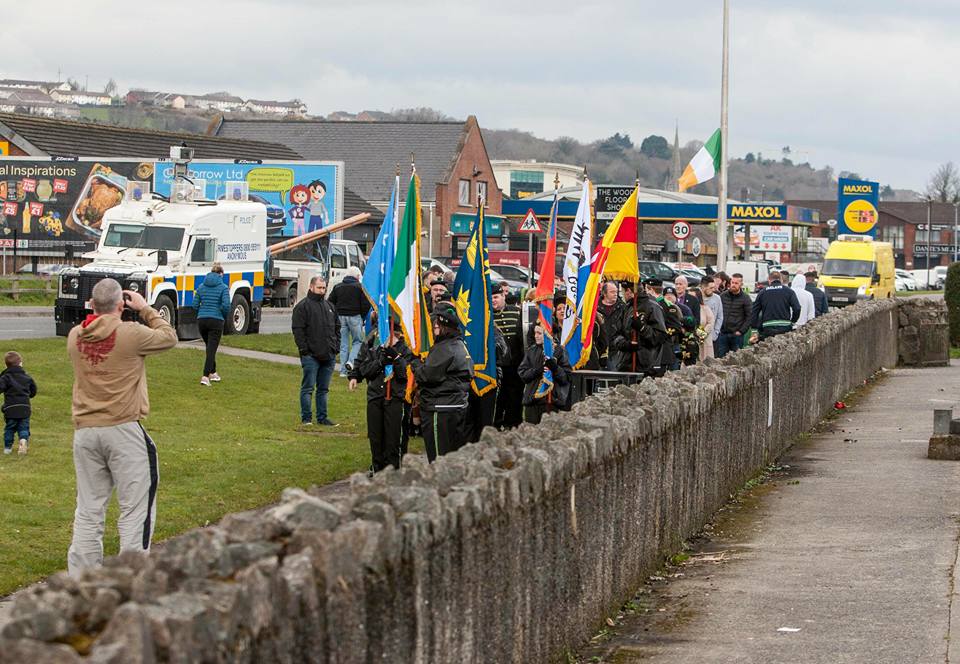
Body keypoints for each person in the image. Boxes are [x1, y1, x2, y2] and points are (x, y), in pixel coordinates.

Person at [66, 278, 177, 576]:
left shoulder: (76, 336)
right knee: (135, 509)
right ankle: (131, 578)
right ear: (121, 305)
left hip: (85, 430)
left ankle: (82, 581)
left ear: (91, 304)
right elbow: (168, 336)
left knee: (89, 509)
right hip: (123, 428)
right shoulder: (131, 334)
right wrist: (145, 309)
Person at [407, 303, 473, 462]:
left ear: (442, 325)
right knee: (452, 456)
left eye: (435, 324)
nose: (432, 327)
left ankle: (440, 486)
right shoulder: (459, 344)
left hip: (440, 409)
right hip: (455, 406)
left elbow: (426, 375)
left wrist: (415, 363)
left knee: (438, 458)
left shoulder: (444, 348)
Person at [348, 320, 410, 472]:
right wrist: (380, 362)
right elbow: (364, 368)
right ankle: (377, 468)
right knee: (376, 437)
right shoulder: (374, 345)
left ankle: (394, 469)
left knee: (394, 438)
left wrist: (395, 358)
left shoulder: (405, 349)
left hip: (395, 397)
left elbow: (405, 376)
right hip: (375, 395)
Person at [292, 276, 340, 426]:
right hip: (311, 356)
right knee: (308, 388)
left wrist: (335, 347)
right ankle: (306, 418)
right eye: (319, 287)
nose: (322, 291)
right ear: (311, 287)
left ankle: (322, 417)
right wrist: (304, 350)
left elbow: (337, 328)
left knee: (323, 389)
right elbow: (298, 331)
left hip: (329, 354)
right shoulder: (302, 307)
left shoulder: (330, 306)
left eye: (324, 288)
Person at [610, 279, 669, 377]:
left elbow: (660, 337)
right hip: (626, 364)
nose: (623, 295)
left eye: (623, 291)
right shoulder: (627, 307)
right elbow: (616, 333)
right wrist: (625, 344)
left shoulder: (653, 307)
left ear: (629, 291)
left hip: (647, 366)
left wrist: (642, 328)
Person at [518, 321, 572, 424]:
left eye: (539, 333)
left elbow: (566, 378)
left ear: (549, 334)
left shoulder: (560, 351)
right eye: (535, 333)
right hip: (533, 400)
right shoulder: (531, 351)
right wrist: (537, 370)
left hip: (552, 401)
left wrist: (555, 368)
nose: (536, 336)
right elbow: (522, 374)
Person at [191, 262, 230, 386]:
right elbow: (226, 305)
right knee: (211, 350)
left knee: (209, 348)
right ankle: (205, 376)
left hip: (202, 320)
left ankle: (213, 372)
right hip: (216, 320)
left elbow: (195, 305)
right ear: (220, 274)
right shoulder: (223, 287)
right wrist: (222, 315)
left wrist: (202, 312)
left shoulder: (201, 286)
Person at [328, 265, 370, 377]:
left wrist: (334, 315)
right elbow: (366, 304)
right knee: (358, 341)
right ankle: (350, 362)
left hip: (340, 318)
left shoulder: (338, 287)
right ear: (357, 276)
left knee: (343, 344)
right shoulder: (360, 287)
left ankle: (343, 371)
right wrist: (363, 317)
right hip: (355, 317)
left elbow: (330, 302)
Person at [493, 282, 524, 430]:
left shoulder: (516, 312)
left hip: (516, 363)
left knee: (515, 395)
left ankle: (514, 422)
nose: (494, 300)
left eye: (496, 297)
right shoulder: (487, 316)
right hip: (498, 364)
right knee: (499, 396)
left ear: (503, 296)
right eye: (491, 298)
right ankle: (498, 422)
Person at [0, 350, 37, 456]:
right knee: (24, 427)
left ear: (6, 365)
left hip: (10, 408)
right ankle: (23, 440)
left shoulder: (5, 377)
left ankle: (7, 448)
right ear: (21, 363)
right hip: (24, 407)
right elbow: (33, 391)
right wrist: (29, 395)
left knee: (10, 428)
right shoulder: (27, 377)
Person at [750, 270, 801, 341]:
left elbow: (754, 311)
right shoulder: (789, 291)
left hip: (768, 327)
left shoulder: (762, 292)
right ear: (781, 280)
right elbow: (797, 308)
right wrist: (792, 321)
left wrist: (754, 328)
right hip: (784, 327)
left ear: (769, 280)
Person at [716, 273, 753, 357]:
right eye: (732, 282)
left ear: (741, 284)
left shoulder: (745, 298)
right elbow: (717, 313)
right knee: (721, 359)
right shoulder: (723, 296)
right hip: (723, 333)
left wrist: (741, 331)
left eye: (736, 283)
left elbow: (750, 316)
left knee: (736, 360)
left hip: (736, 335)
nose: (733, 285)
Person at [597, 281, 625, 370]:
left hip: (615, 350)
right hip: (599, 349)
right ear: (604, 293)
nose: (615, 294)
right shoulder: (595, 307)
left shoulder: (622, 307)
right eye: (612, 292)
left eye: (616, 292)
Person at [701, 276, 724, 356]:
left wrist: (716, 332)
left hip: (713, 336)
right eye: (710, 288)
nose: (713, 290)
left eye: (713, 287)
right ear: (703, 287)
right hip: (699, 335)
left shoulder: (717, 298)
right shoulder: (697, 297)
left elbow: (720, 316)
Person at [691, 287, 715, 360]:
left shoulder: (705, 308)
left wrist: (702, 333)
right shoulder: (687, 308)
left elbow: (711, 322)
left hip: (704, 340)